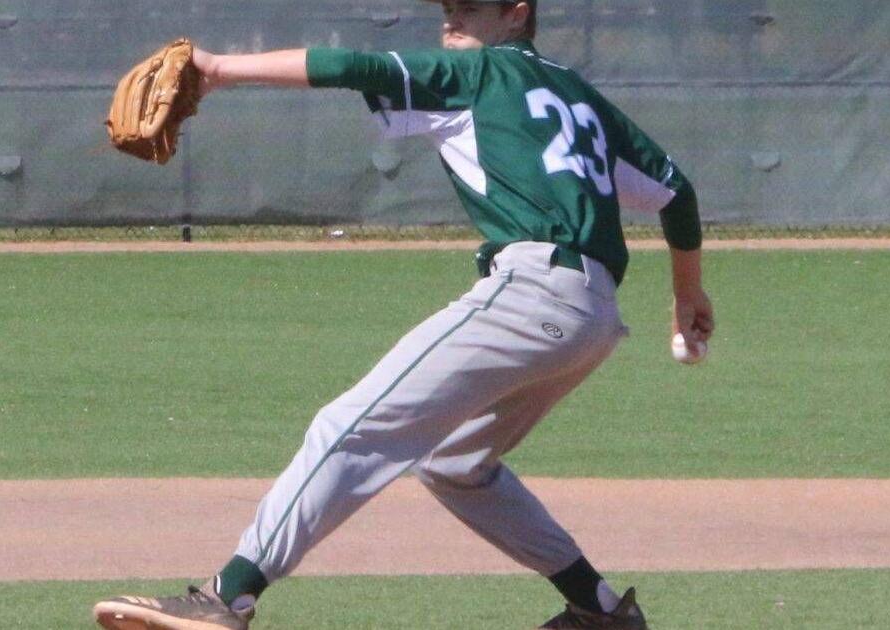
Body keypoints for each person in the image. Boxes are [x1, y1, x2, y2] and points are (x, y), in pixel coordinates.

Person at [93, 1, 713, 628]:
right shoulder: (580, 96)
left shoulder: (479, 72)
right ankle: (599, 610)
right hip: (593, 317)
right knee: (455, 463)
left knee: (352, 427)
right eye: (448, 8)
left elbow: (350, 66)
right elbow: (676, 192)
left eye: (471, 7)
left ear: (516, 15)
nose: (453, 20)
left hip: (534, 292)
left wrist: (217, 69)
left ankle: (226, 598)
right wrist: (687, 294)